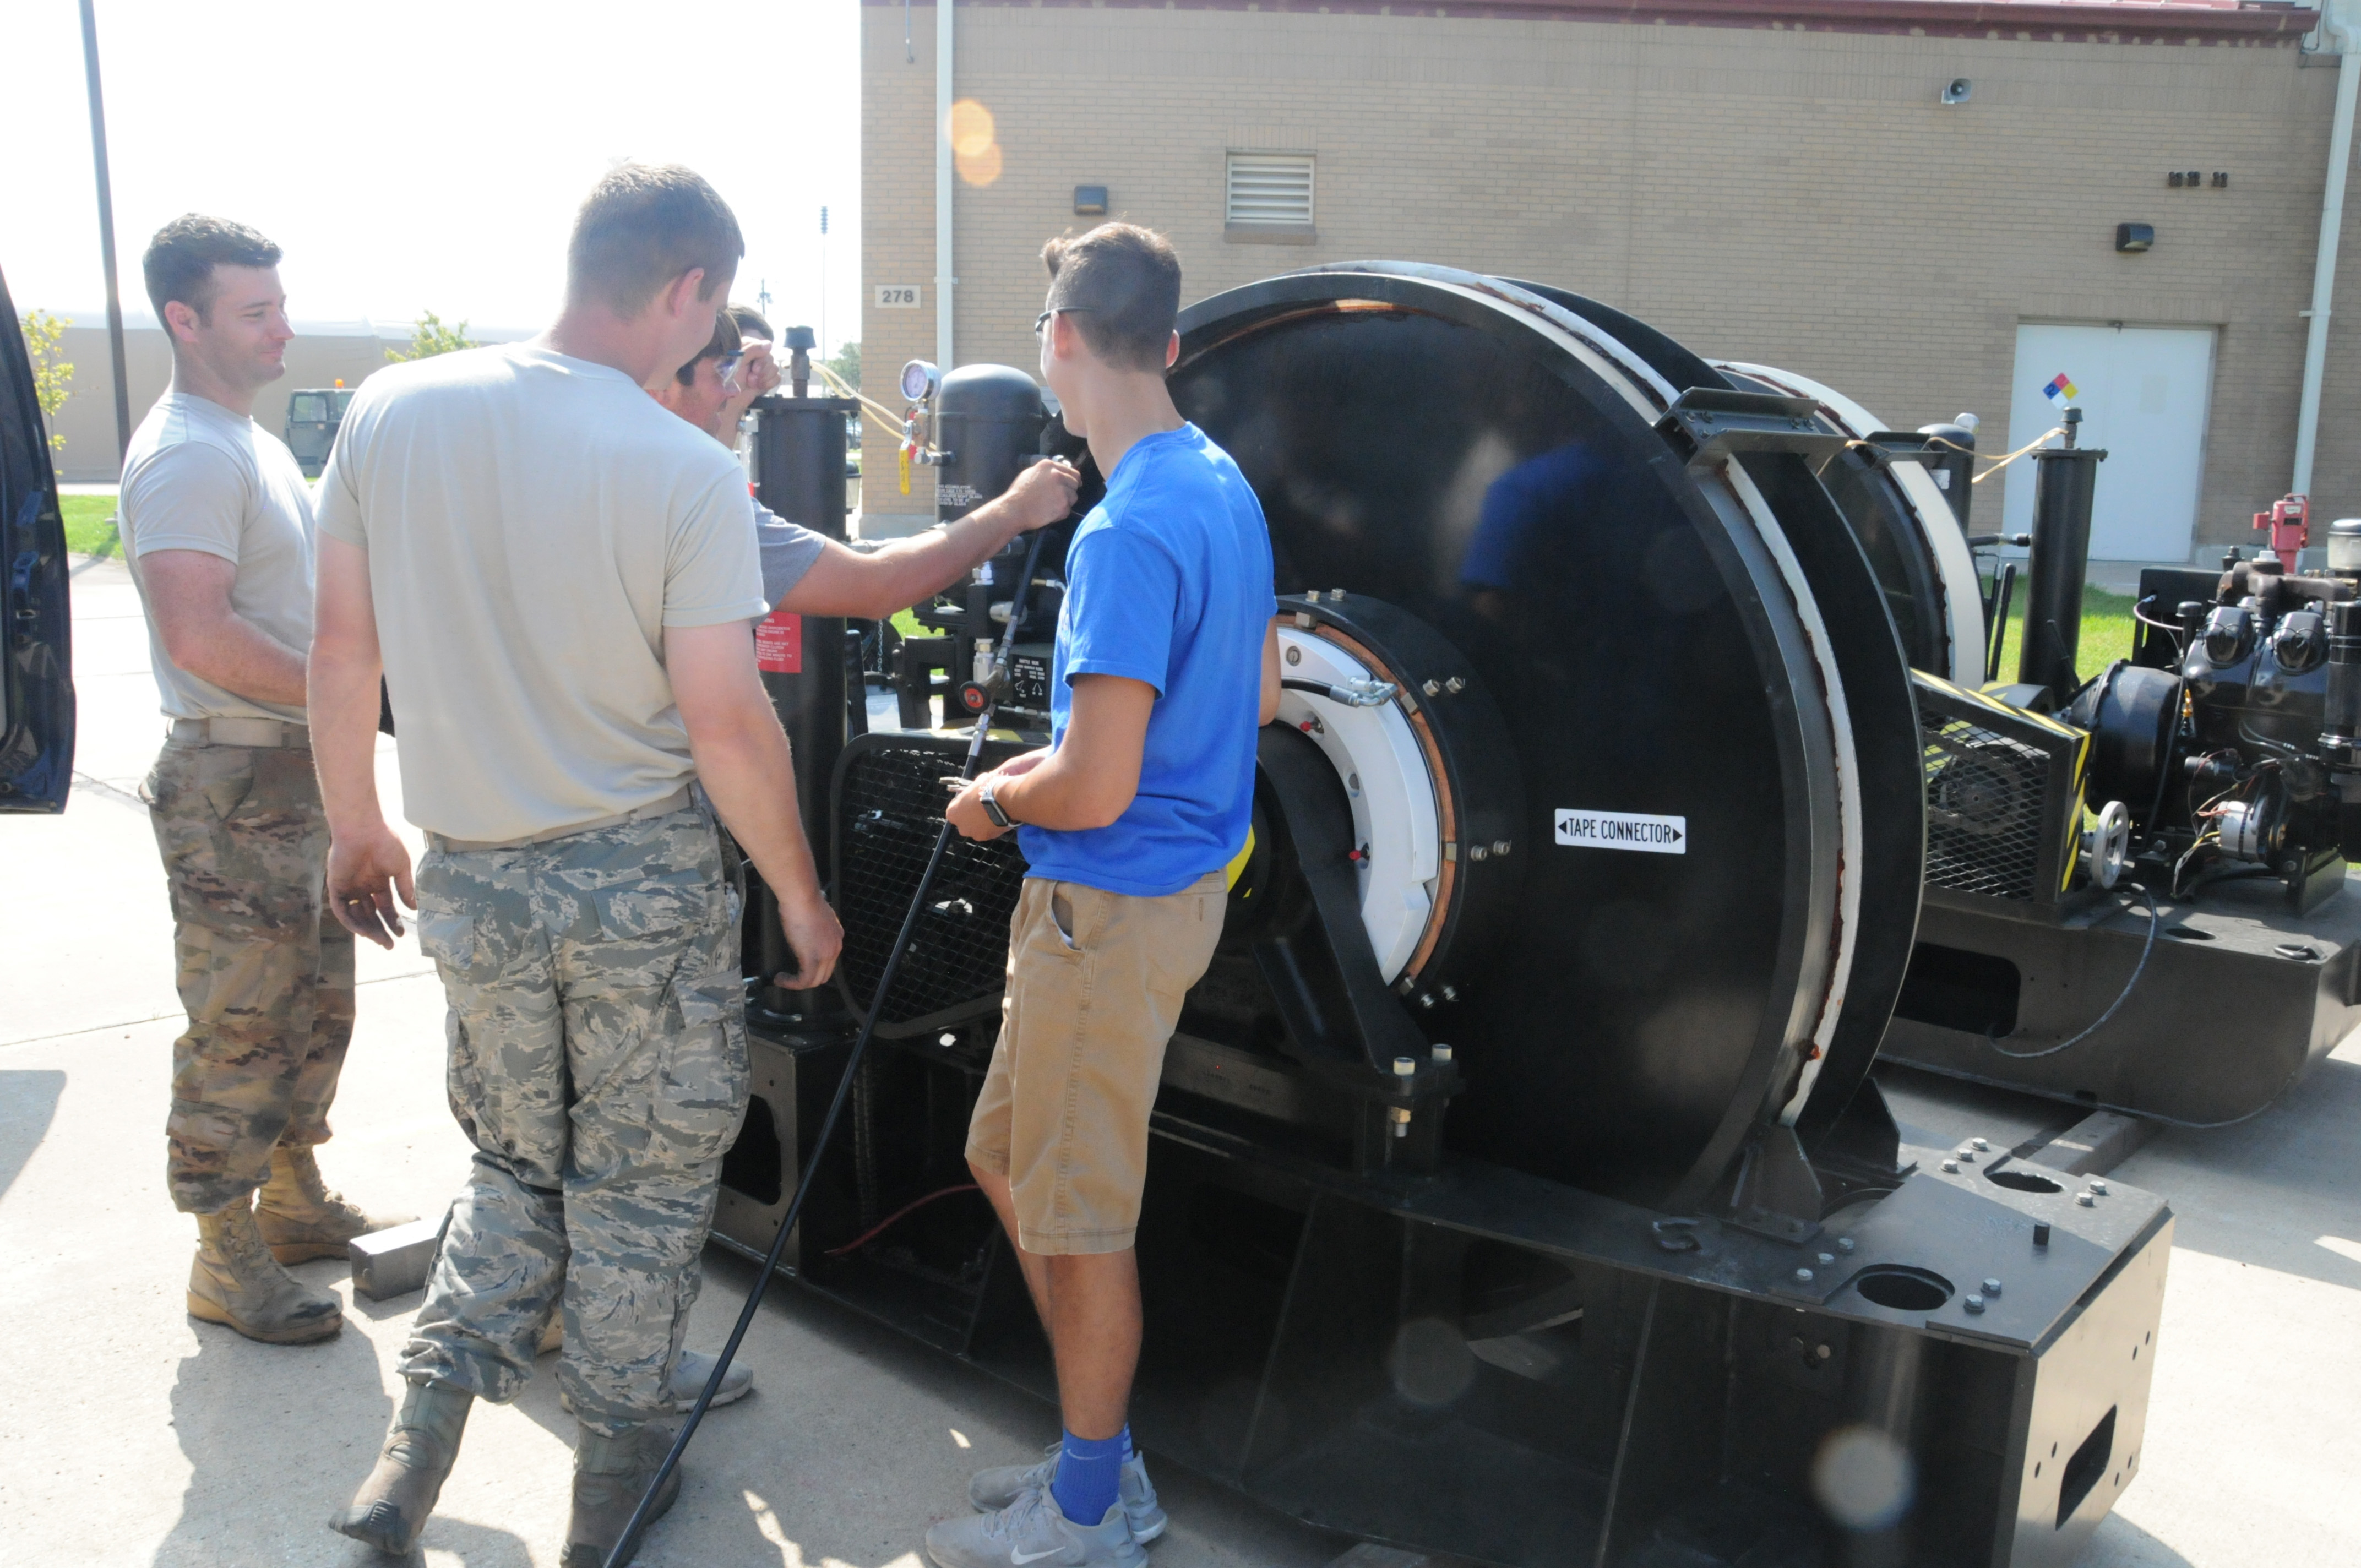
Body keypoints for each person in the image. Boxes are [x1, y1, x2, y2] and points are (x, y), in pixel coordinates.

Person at [307, 165, 896, 1567]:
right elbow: (723, 718)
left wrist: (355, 819)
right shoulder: (680, 467)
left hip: (474, 876)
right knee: (636, 1187)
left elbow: (342, 646)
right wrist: (802, 896)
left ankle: (413, 1451)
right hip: (636, 885)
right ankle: (614, 1475)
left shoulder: (396, 407)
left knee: (515, 1162)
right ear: (690, 286)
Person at [933, 223, 1282, 1568]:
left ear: (1062, 338)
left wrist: (998, 796)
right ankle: (1100, 1454)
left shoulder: (1124, 527)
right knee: (1004, 1157)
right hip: (1168, 894)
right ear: (1172, 344)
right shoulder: (1218, 483)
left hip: (1103, 910)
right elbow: (1248, 697)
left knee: (1076, 1223)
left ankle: (1089, 1513)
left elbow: (1088, 788)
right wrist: (1063, 766)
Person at [117, 214, 410, 1348]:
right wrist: (352, 698)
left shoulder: (246, 438)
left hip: (291, 768)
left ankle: (291, 1202)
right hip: (233, 776)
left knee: (312, 1002)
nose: (282, 328)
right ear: (183, 320)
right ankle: (223, 1252)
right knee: (241, 1019)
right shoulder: (188, 449)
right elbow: (198, 633)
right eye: (255, 311)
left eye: (280, 304)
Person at [651, 307, 1080, 616]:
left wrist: (740, 391)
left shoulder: (647, 469)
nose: (731, 393)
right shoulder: (697, 499)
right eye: (721, 373)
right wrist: (1015, 509)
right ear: (665, 383)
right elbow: (875, 588)